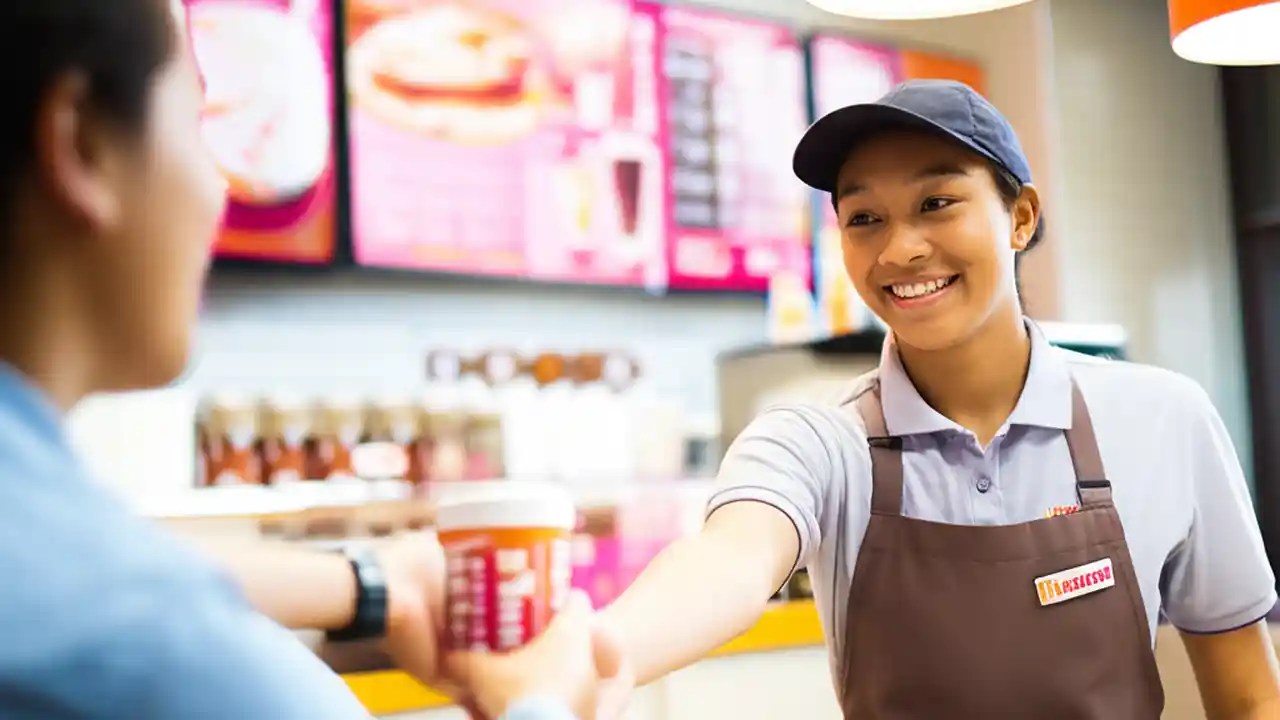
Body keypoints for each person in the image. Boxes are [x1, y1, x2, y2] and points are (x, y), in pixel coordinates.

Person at [0, 1, 625, 718]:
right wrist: (542, 703)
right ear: (81, 143)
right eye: (200, 127)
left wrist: (373, 583)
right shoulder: (159, 652)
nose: (218, 192)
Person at [599, 79, 1280, 718]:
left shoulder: (1163, 418)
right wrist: (601, 656)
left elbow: (1251, 699)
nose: (899, 250)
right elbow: (730, 561)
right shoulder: (817, 442)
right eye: (864, 217)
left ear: (1020, 218)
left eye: (936, 203)